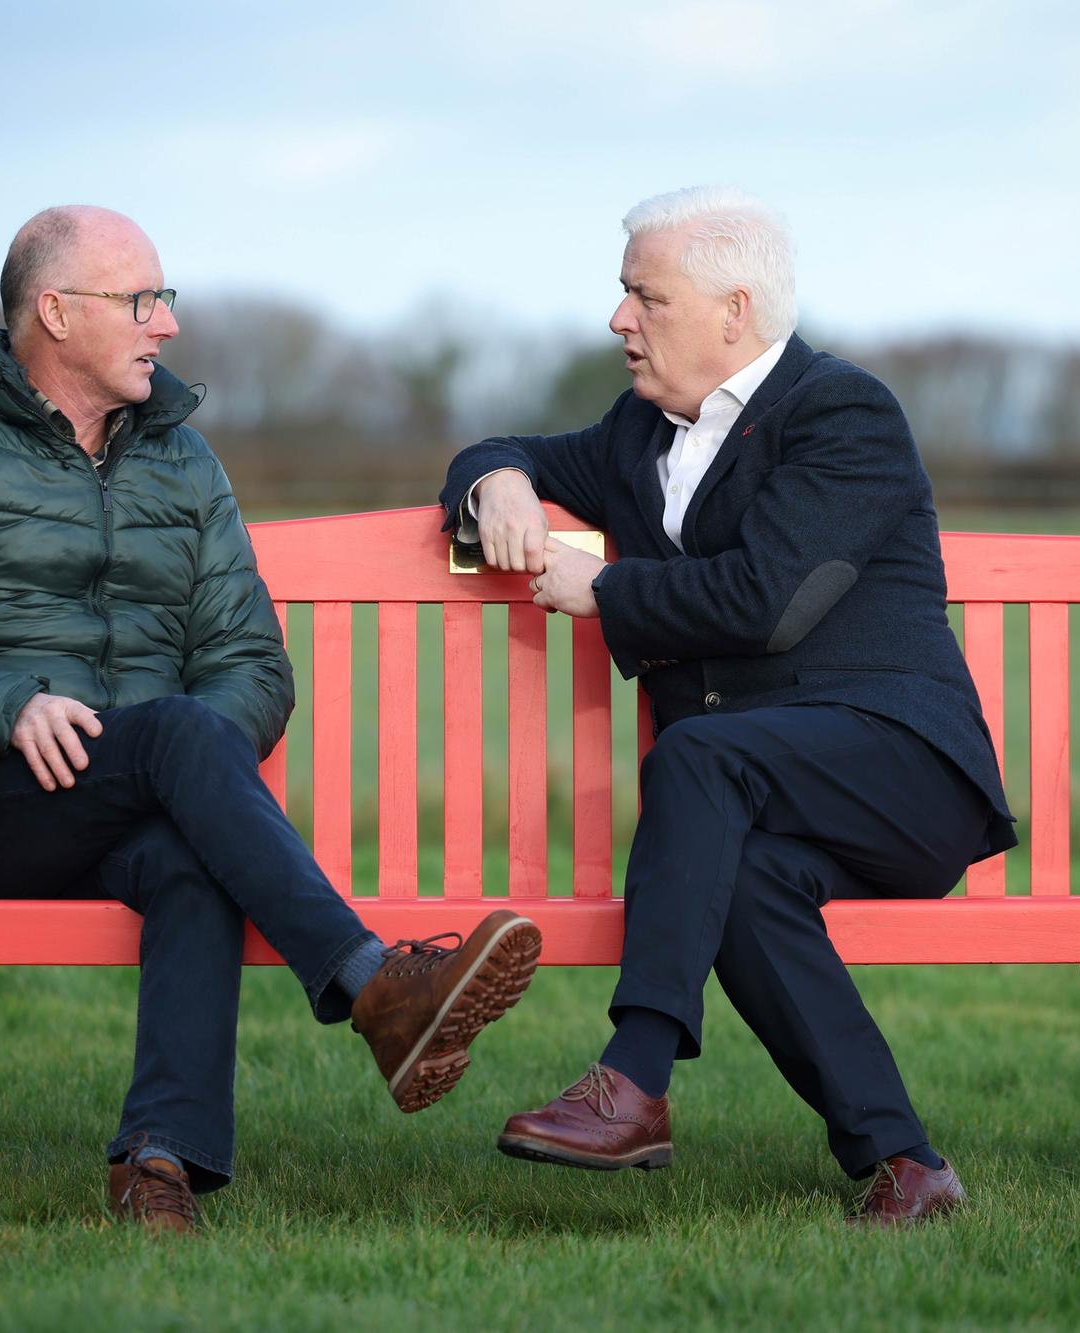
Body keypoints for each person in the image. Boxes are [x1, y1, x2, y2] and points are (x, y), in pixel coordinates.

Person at [0, 205, 540, 1236]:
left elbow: (248, 665)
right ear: (53, 312)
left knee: (191, 839)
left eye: (163, 300)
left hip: (125, 795)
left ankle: (158, 1166)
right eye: (140, 301)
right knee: (179, 738)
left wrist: (171, 759)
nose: (167, 327)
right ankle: (376, 987)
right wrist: (6, 705)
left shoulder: (183, 464)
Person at [440, 187, 1014, 1226]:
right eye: (623, 295)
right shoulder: (635, 433)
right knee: (741, 883)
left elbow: (770, 600)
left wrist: (603, 589)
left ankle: (633, 1080)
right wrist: (499, 486)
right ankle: (905, 1166)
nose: (618, 319)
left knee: (698, 755)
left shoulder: (842, 412)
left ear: (731, 311)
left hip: (903, 773)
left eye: (641, 296)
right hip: (762, 802)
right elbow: (494, 450)